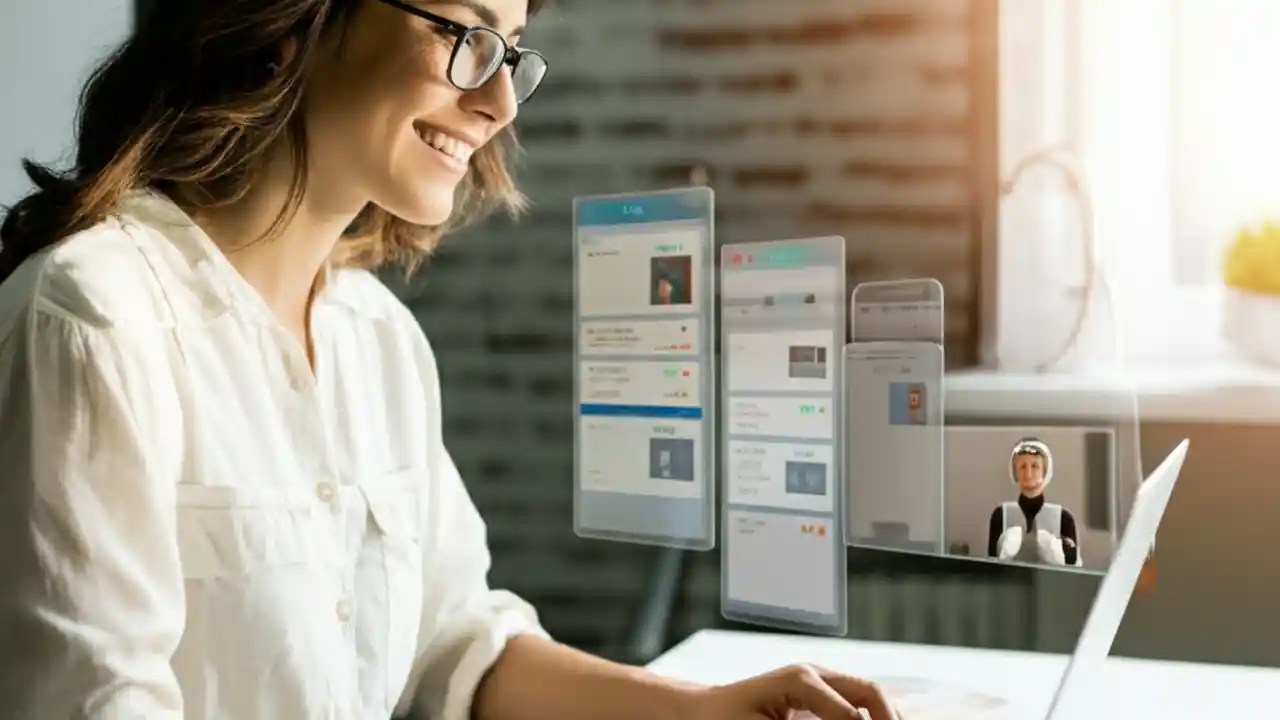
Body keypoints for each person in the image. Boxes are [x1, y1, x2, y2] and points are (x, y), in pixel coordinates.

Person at [0, 1, 901, 718]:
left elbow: (453, 644)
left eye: (511, 53)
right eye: (465, 35)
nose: (500, 103)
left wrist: (698, 709)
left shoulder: (377, 339)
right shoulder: (95, 318)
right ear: (299, 20)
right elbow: (91, 700)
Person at [986, 437, 1082, 568]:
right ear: (1015, 471)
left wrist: (1056, 549)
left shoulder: (1064, 519)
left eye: (1035, 466)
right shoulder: (1001, 515)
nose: (1028, 474)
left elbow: (1074, 569)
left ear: (1045, 470)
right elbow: (991, 567)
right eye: (1022, 467)